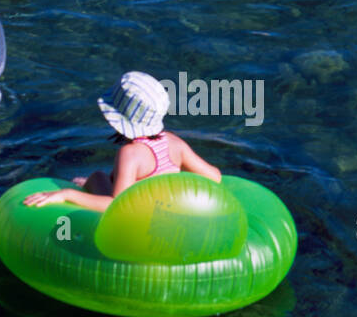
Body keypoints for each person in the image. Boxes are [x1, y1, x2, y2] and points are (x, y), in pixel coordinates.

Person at [24, 71, 221, 212]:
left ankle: (87, 186)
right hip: (169, 209)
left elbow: (116, 205)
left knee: (96, 177)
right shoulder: (174, 143)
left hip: (139, 217)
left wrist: (67, 194)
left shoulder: (131, 153)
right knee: (104, 178)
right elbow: (215, 177)